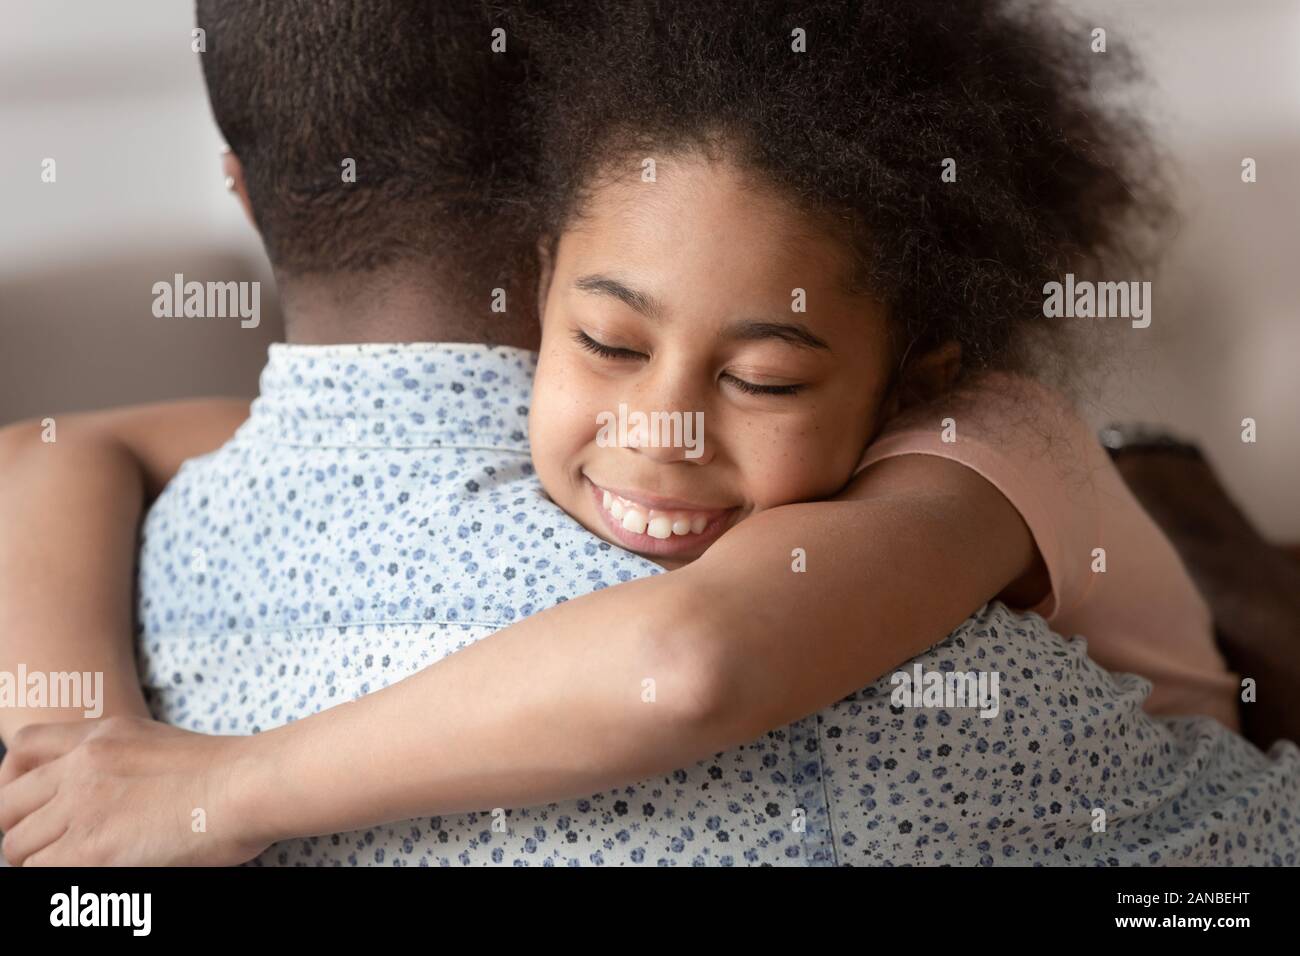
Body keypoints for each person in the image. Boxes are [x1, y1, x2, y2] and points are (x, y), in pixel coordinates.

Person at [1, 0, 1291, 866]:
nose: (661, 432)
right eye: (611, 343)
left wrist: (211, 788)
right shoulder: (539, 410)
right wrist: (76, 764)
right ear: (546, 259)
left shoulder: (973, 445)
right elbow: (50, 446)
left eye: (770, 379)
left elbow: (690, 659)